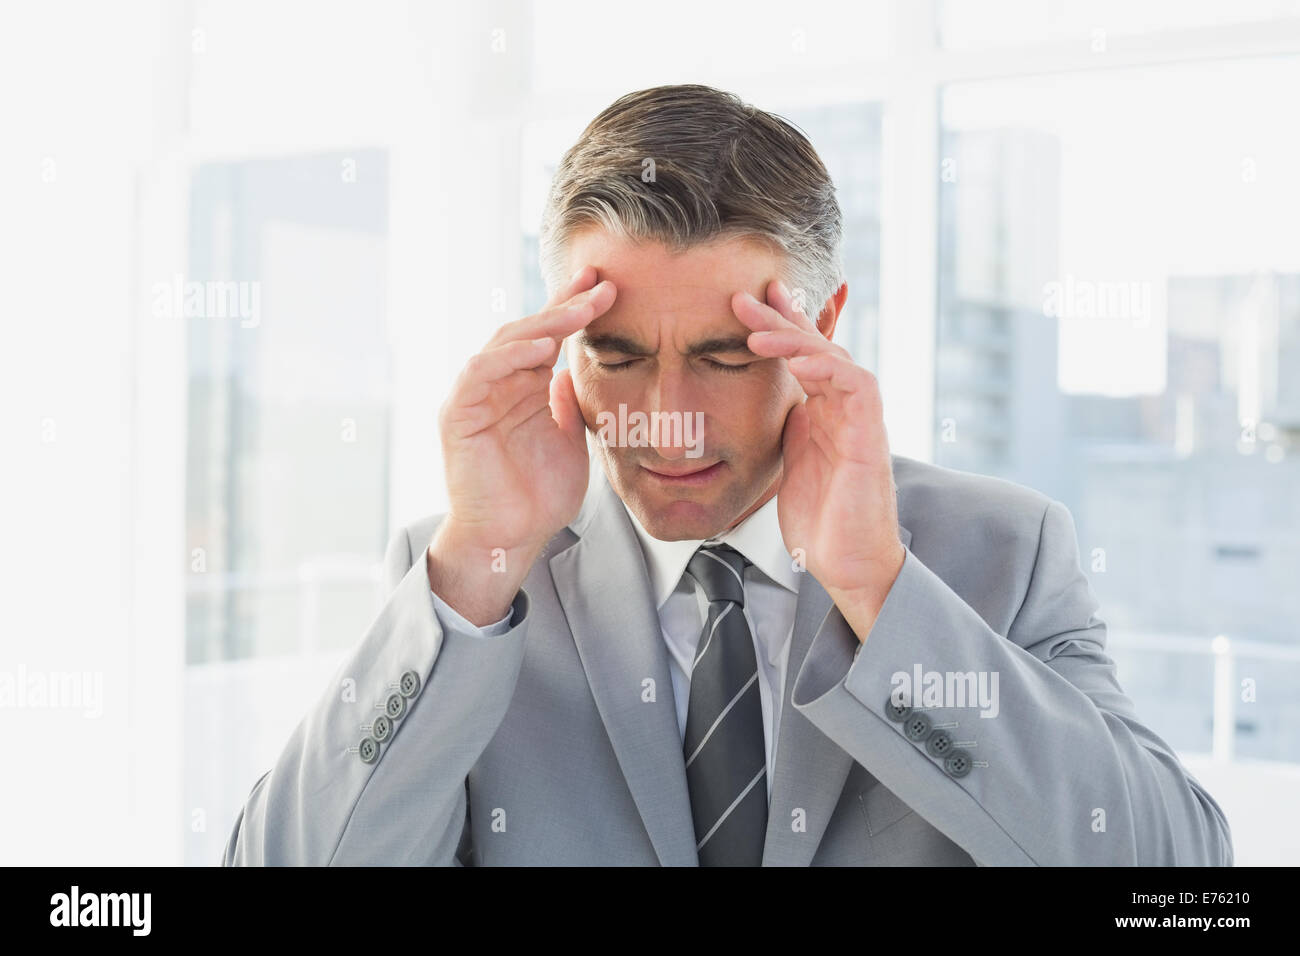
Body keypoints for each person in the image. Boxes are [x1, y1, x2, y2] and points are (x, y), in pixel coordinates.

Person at [222, 84, 1233, 866]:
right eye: (615, 352)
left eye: (724, 355)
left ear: (822, 327)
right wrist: (473, 577)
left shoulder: (1002, 551)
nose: (667, 415)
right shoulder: (468, 576)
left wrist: (880, 588)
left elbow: (1174, 875)